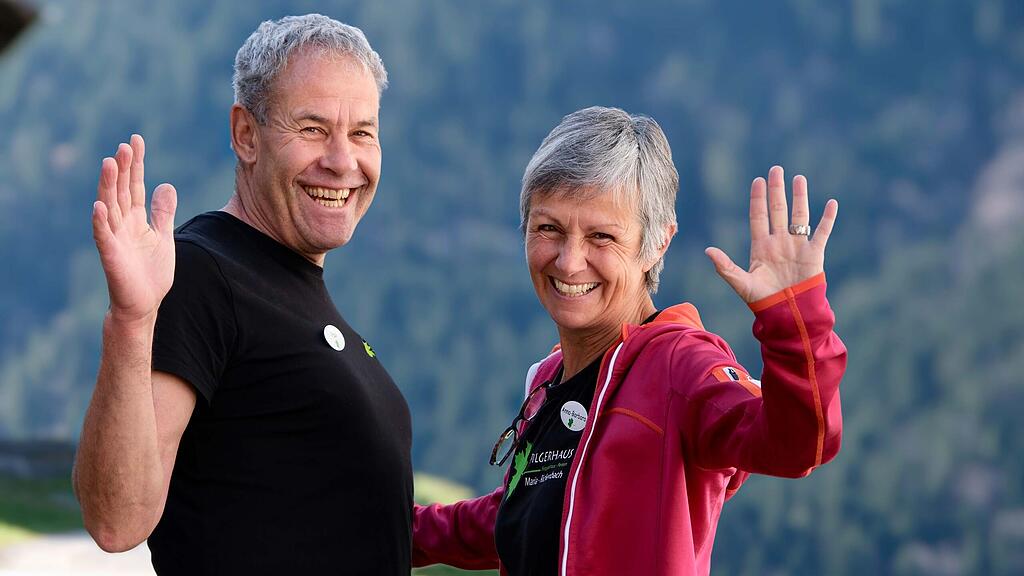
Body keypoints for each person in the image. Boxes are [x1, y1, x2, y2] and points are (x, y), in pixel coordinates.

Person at [412, 106, 846, 576]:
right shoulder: (548, 379)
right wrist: (390, 529)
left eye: (602, 236)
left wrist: (793, 319)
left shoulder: (682, 367)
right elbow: (530, 518)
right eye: (548, 229)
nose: (569, 260)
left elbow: (800, 443)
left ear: (657, 243)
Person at [72, 15, 413, 575]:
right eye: (311, 128)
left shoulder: (292, 285)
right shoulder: (203, 273)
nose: (342, 160)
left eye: (362, 133)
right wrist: (133, 320)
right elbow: (116, 520)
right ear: (246, 135)